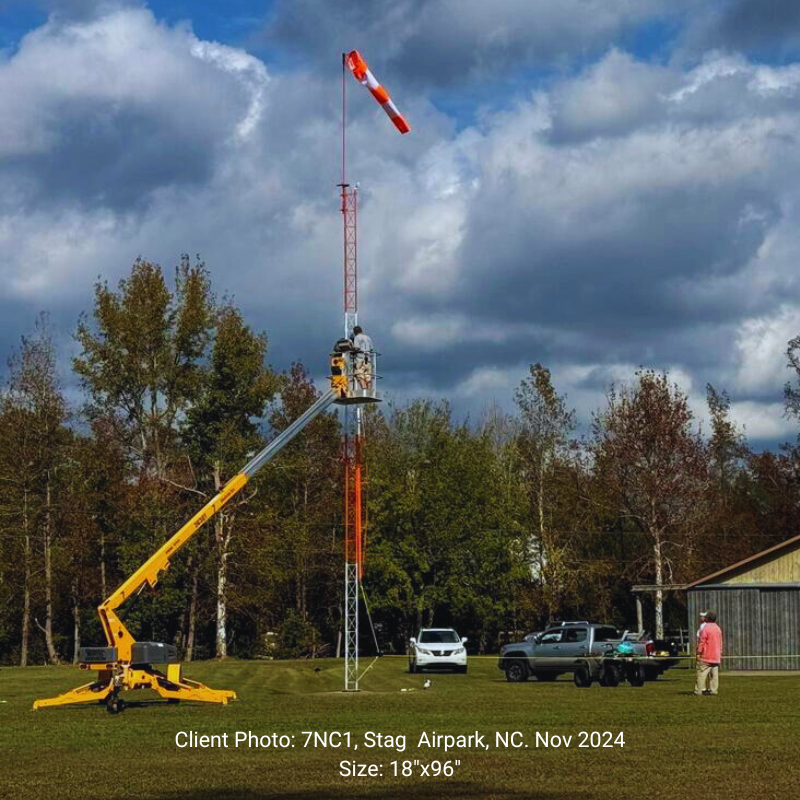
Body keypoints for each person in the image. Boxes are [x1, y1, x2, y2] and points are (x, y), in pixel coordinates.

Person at [694, 610, 723, 696]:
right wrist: (720, 653)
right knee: (714, 675)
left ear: (707, 618)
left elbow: (702, 641)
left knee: (701, 674)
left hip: (706, 655)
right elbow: (720, 642)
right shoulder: (718, 628)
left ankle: (698, 690)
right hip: (716, 656)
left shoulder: (705, 628)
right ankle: (713, 690)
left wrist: (699, 652)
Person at [351, 325, 374, 389]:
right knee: (368, 376)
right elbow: (371, 348)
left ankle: (364, 388)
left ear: (355, 332)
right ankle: (369, 391)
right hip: (368, 360)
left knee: (359, 374)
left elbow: (357, 348)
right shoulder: (368, 338)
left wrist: (352, 350)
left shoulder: (357, 337)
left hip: (360, 359)